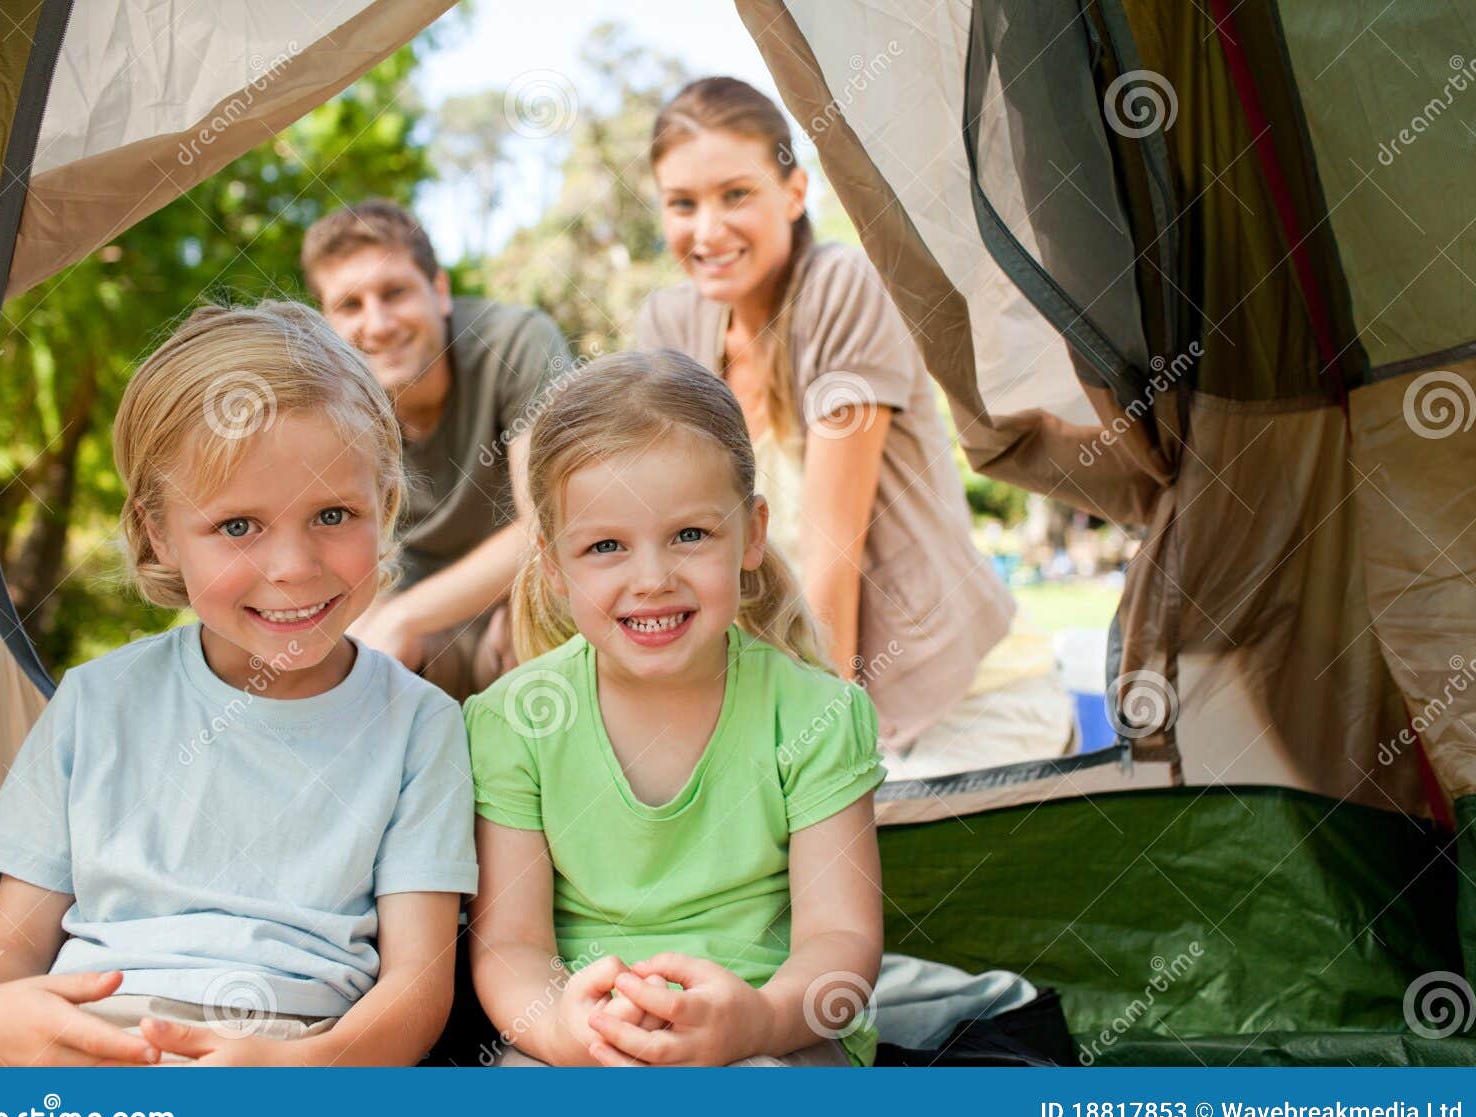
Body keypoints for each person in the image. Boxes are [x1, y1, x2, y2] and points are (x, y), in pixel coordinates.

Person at [0, 303, 477, 1066]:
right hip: (85, 1050)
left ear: (386, 504)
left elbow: (418, 990)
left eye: (334, 513)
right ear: (159, 530)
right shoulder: (94, 704)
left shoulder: (420, 725)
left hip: (289, 1066)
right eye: (237, 526)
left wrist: (297, 1072)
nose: (293, 566)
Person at [637, 77, 1074, 779]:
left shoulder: (841, 287)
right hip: (802, 697)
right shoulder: (672, 327)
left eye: (736, 193)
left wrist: (816, 757)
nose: (707, 229)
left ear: (795, 192)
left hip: (963, 703)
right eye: (682, 204)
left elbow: (829, 556)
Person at [466, 350, 884, 1067]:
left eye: (690, 535)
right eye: (606, 546)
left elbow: (841, 943)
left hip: (776, 1031)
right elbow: (510, 947)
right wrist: (570, 1033)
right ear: (554, 566)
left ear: (751, 534)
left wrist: (754, 1022)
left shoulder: (816, 712)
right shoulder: (514, 722)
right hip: (582, 1041)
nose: (652, 578)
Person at [302, 199, 571, 700]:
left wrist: (404, 615)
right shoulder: (333, 405)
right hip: (428, 634)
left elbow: (550, 523)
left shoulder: (512, 342)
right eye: (350, 306)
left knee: (539, 632)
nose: (378, 325)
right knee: (344, 666)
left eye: (394, 292)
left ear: (439, 291)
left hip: (530, 602)